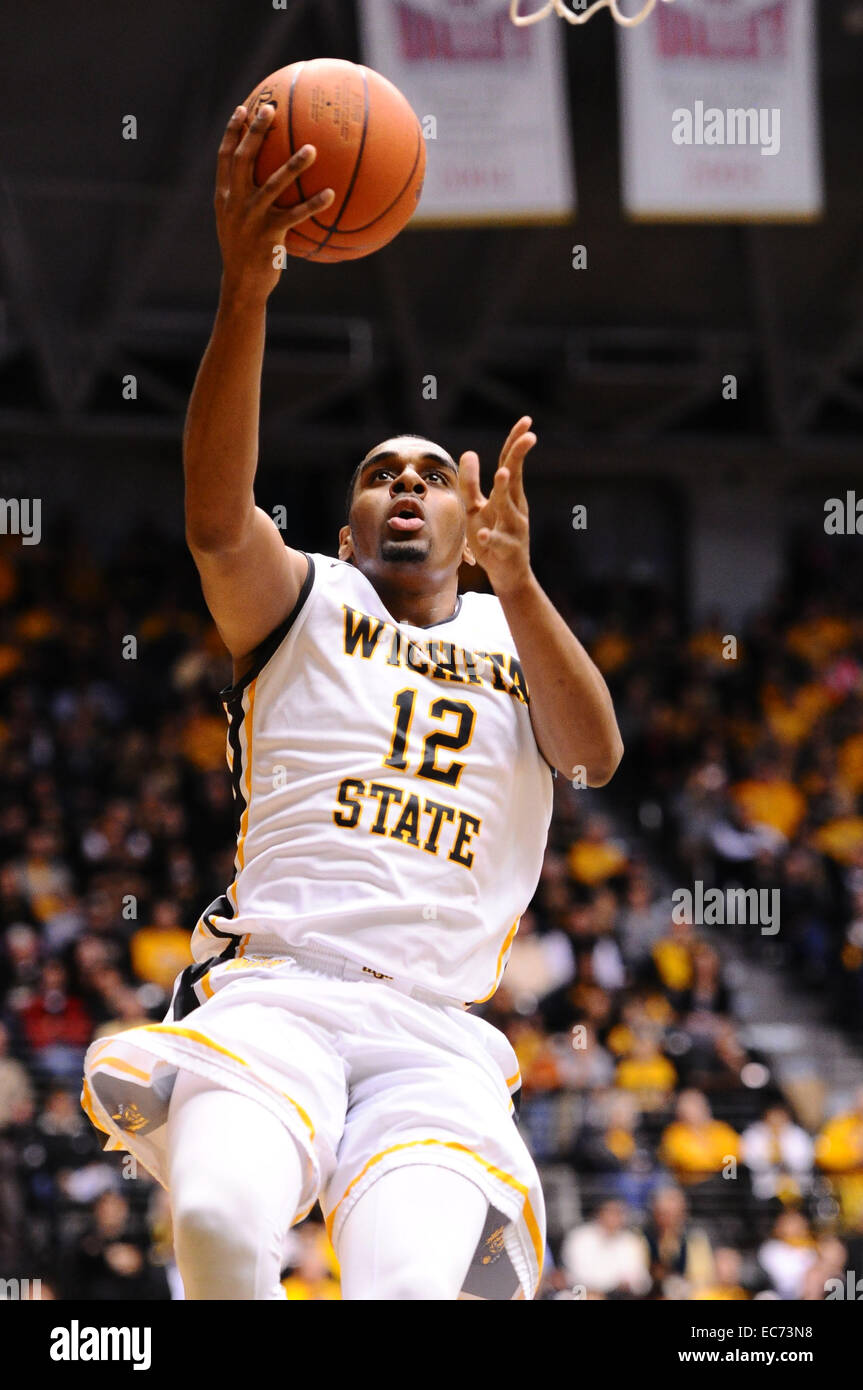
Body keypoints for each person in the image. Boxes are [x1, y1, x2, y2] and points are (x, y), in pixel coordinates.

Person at [80, 102, 623, 1301]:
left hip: (433, 1033)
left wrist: (522, 584)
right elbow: (217, 519)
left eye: (432, 472)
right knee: (220, 1228)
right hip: (281, 988)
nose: (411, 488)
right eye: (383, 475)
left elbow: (592, 759)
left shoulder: (512, 629)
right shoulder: (306, 596)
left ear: (469, 526)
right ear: (346, 526)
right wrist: (245, 293)